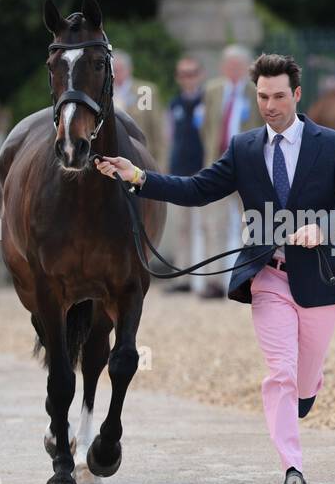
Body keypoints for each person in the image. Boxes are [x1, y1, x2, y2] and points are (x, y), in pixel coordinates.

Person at [95, 54, 335, 484]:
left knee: (304, 378)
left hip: (321, 282)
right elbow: (196, 188)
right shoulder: (245, 148)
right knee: (280, 373)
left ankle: (309, 388)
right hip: (266, 279)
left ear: (297, 95)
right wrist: (139, 177)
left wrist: (326, 227)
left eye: (279, 96)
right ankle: (293, 470)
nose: (270, 106)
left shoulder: (333, 145)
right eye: (262, 96)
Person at [199, 45, 262, 298]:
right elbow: (206, 128)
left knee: (250, 226)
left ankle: (251, 278)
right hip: (219, 165)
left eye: (239, 66)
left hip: (250, 167)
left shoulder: (257, 92)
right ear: (223, 67)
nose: (234, 70)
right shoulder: (212, 90)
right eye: (230, 65)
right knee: (214, 225)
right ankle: (213, 281)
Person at [163, 56, 206, 292]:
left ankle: (212, 280)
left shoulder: (209, 101)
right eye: (183, 74)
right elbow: (169, 138)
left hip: (205, 169)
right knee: (181, 228)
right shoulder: (174, 104)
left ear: (200, 75)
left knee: (209, 226)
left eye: (192, 73)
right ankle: (183, 277)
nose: (188, 78)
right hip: (179, 171)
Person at [111, 50, 167, 170]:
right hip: (112, 163)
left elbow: (157, 132)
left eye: (120, 69)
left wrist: (161, 167)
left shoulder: (144, 91)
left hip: (141, 160)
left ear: (129, 69)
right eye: (113, 70)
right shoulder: (104, 93)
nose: (116, 73)